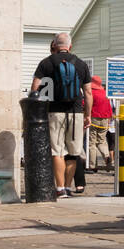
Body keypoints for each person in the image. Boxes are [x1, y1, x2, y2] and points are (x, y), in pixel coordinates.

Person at [30, 32, 94, 197]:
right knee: (74, 152)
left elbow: (35, 88)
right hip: (76, 112)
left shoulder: (46, 63)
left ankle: (59, 189)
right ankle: (67, 186)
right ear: (70, 46)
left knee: (57, 150)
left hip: (54, 112)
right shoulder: (81, 64)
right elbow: (88, 92)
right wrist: (88, 115)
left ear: (55, 46)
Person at [87, 76, 115, 172]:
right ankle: (107, 156)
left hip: (94, 118)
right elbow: (109, 107)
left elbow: (85, 104)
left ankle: (92, 165)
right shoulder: (105, 93)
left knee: (92, 143)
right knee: (102, 141)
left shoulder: (91, 93)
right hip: (105, 119)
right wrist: (109, 118)